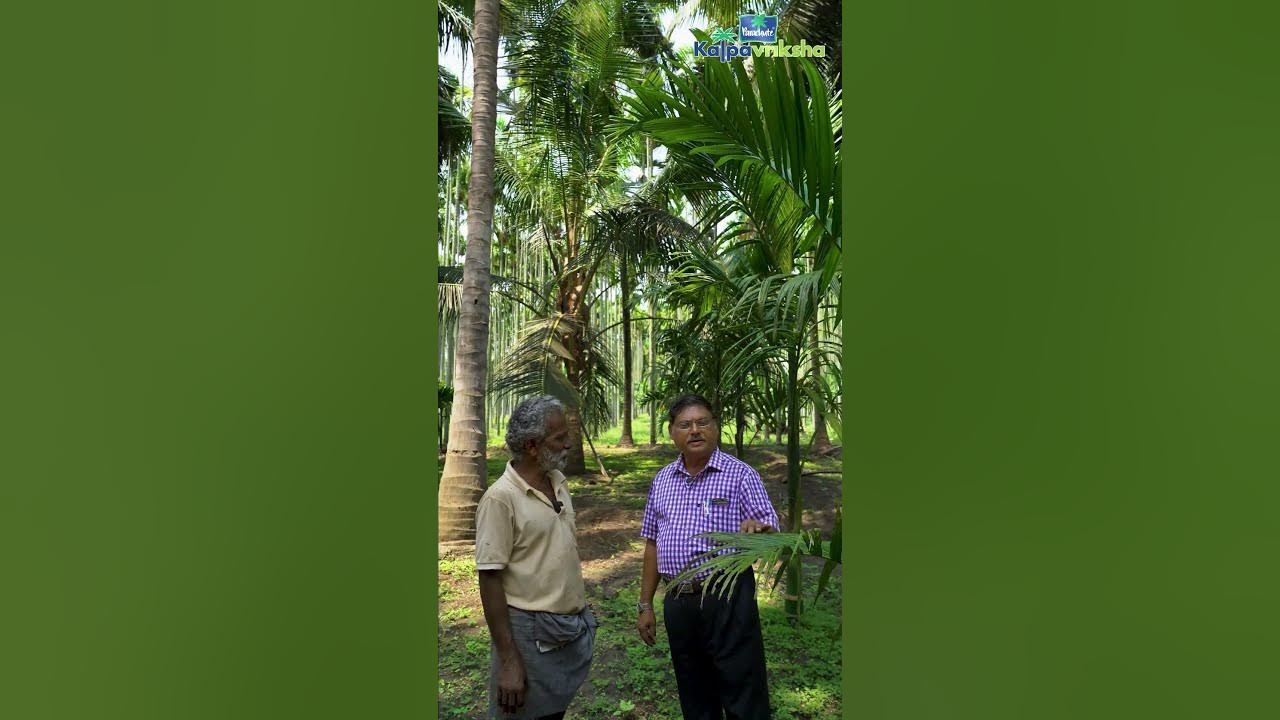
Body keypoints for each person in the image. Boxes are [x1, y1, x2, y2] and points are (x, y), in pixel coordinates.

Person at [635, 394, 779, 720]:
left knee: (743, 693)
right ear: (672, 432)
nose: (695, 431)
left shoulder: (740, 475)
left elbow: (771, 533)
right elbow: (653, 544)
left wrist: (760, 531)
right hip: (678, 600)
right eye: (685, 424)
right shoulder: (662, 480)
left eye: (703, 422)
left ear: (715, 427)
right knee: (694, 695)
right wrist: (645, 605)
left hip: (727, 597)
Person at [476, 396, 597, 720]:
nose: (569, 444)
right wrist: (509, 661)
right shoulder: (500, 499)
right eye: (559, 438)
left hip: (565, 632)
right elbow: (489, 578)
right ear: (532, 446)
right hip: (529, 635)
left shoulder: (557, 482)